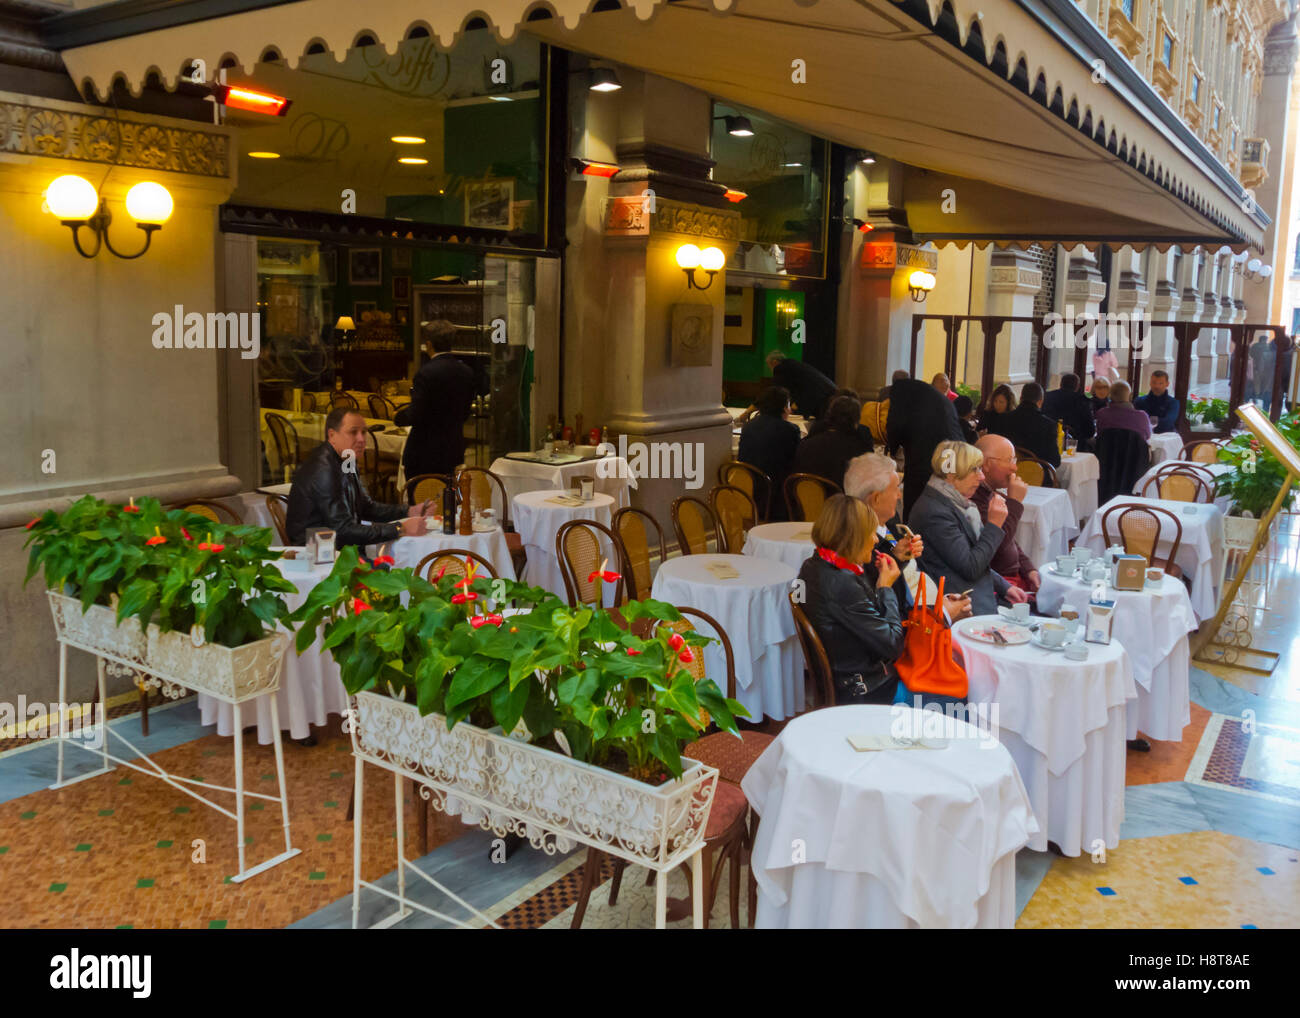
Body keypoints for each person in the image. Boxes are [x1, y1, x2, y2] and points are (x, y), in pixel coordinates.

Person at [796, 495, 905, 705]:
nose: (875, 540)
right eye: (871, 532)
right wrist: (886, 589)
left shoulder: (813, 565)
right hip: (865, 691)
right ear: (854, 536)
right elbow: (893, 645)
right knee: (948, 697)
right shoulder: (841, 584)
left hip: (841, 680)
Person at [844, 452, 973, 621]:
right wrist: (942, 615)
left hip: (919, 605)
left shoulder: (886, 526)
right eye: (896, 488)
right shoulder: (861, 547)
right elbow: (887, 619)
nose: (899, 495)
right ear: (876, 499)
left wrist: (900, 556)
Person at [907, 441, 1028, 617]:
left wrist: (1004, 586)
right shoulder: (934, 512)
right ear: (952, 475)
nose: (981, 477)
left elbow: (969, 556)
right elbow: (971, 567)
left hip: (977, 599)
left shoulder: (953, 503)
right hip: (963, 611)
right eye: (975, 470)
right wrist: (994, 525)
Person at [287, 407, 433, 547]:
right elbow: (343, 530)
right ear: (332, 436)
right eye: (353, 432)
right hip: (317, 555)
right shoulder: (324, 470)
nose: (361, 439)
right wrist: (400, 528)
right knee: (394, 567)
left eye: (364, 432)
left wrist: (408, 511)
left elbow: (365, 507)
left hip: (339, 547)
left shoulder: (347, 458)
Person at [395, 320, 477, 479]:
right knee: (446, 500)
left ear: (429, 344)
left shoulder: (426, 373)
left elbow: (416, 413)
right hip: (453, 449)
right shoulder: (466, 372)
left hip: (424, 452)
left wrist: (398, 417)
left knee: (421, 500)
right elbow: (465, 413)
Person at [885, 374, 964, 516]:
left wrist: (893, 448)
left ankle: (914, 532)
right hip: (954, 455)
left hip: (926, 458)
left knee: (917, 498)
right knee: (943, 498)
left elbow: (895, 424)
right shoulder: (930, 396)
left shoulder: (900, 392)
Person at [971, 436, 1039, 595]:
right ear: (986, 465)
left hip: (1015, 576)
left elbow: (1010, 540)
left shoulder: (990, 493)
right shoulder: (973, 498)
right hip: (998, 584)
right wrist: (1014, 501)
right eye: (1009, 460)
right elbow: (997, 543)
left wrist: (1029, 570)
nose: (1015, 468)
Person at [738, 385, 801, 521]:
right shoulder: (790, 430)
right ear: (784, 407)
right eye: (789, 405)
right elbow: (794, 461)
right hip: (775, 496)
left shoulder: (749, 426)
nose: (790, 410)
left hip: (747, 490)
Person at [793, 395, 872, 487]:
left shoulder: (806, 445)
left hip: (806, 499)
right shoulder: (861, 451)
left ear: (830, 416)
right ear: (856, 421)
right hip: (843, 500)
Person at [766, 349, 836, 422]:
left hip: (820, 399)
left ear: (775, 362)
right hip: (829, 392)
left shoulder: (780, 368)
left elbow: (778, 392)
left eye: (769, 366)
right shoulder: (794, 365)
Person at [1003, 382, 1061, 467]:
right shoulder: (1048, 424)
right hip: (1036, 477)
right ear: (1040, 402)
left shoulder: (1004, 418)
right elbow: (1055, 461)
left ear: (1020, 398)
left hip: (1007, 472)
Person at [1042, 373, 1096, 451]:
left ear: (1060, 384)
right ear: (1077, 387)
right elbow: (1090, 431)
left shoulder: (1047, 397)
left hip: (1049, 442)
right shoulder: (1082, 400)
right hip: (1076, 445)